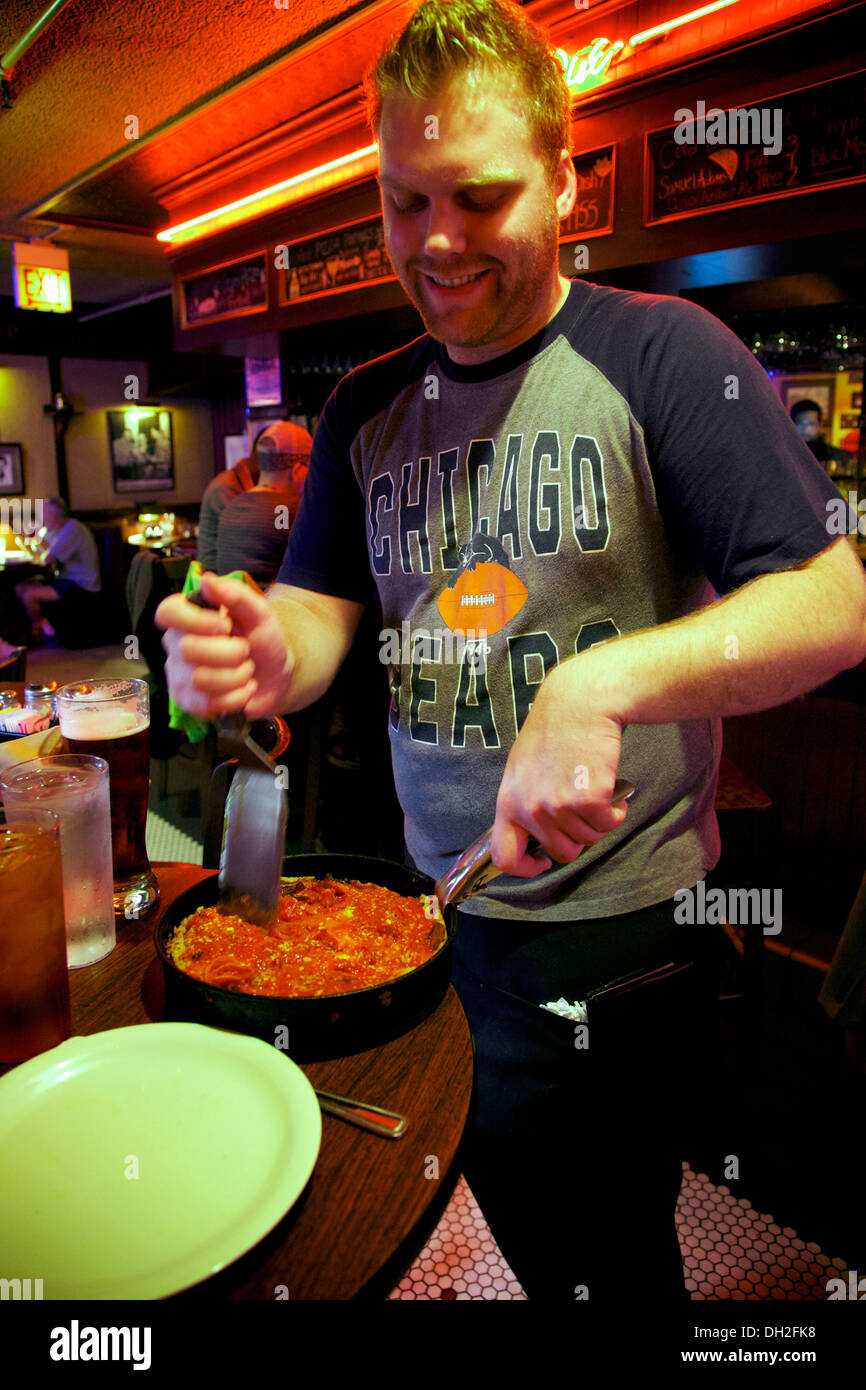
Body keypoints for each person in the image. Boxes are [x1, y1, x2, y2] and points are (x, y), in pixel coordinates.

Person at [156, 0, 866, 1303]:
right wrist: (265, 652)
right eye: (402, 199)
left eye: (477, 197)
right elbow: (323, 615)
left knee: (598, 1248)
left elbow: (832, 603)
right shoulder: (364, 400)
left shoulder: (660, 353)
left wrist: (598, 680)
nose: (434, 242)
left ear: (562, 175)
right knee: (481, 1203)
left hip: (619, 936)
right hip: (430, 918)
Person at [216, 421, 311, 587]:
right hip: (272, 608)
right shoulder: (287, 509)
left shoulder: (232, 506)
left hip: (231, 608)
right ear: (297, 471)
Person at [15, 497, 100, 642]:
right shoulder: (52, 529)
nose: (40, 518)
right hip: (62, 578)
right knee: (20, 587)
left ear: (53, 515)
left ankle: (39, 631)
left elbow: (48, 559)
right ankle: (44, 627)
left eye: (42, 514)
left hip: (81, 583)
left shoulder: (72, 529)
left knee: (29, 595)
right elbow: (40, 555)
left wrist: (36, 539)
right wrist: (25, 541)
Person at [196, 441, 262, 570]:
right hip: (216, 574)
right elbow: (250, 538)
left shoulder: (278, 500)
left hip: (234, 572)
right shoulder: (227, 487)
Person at [790, 397, 852, 471]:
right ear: (792, 425)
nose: (805, 429)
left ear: (819, 425)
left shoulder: (838, 456)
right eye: (799, 425)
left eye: (810, 424)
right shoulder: (786, 455)